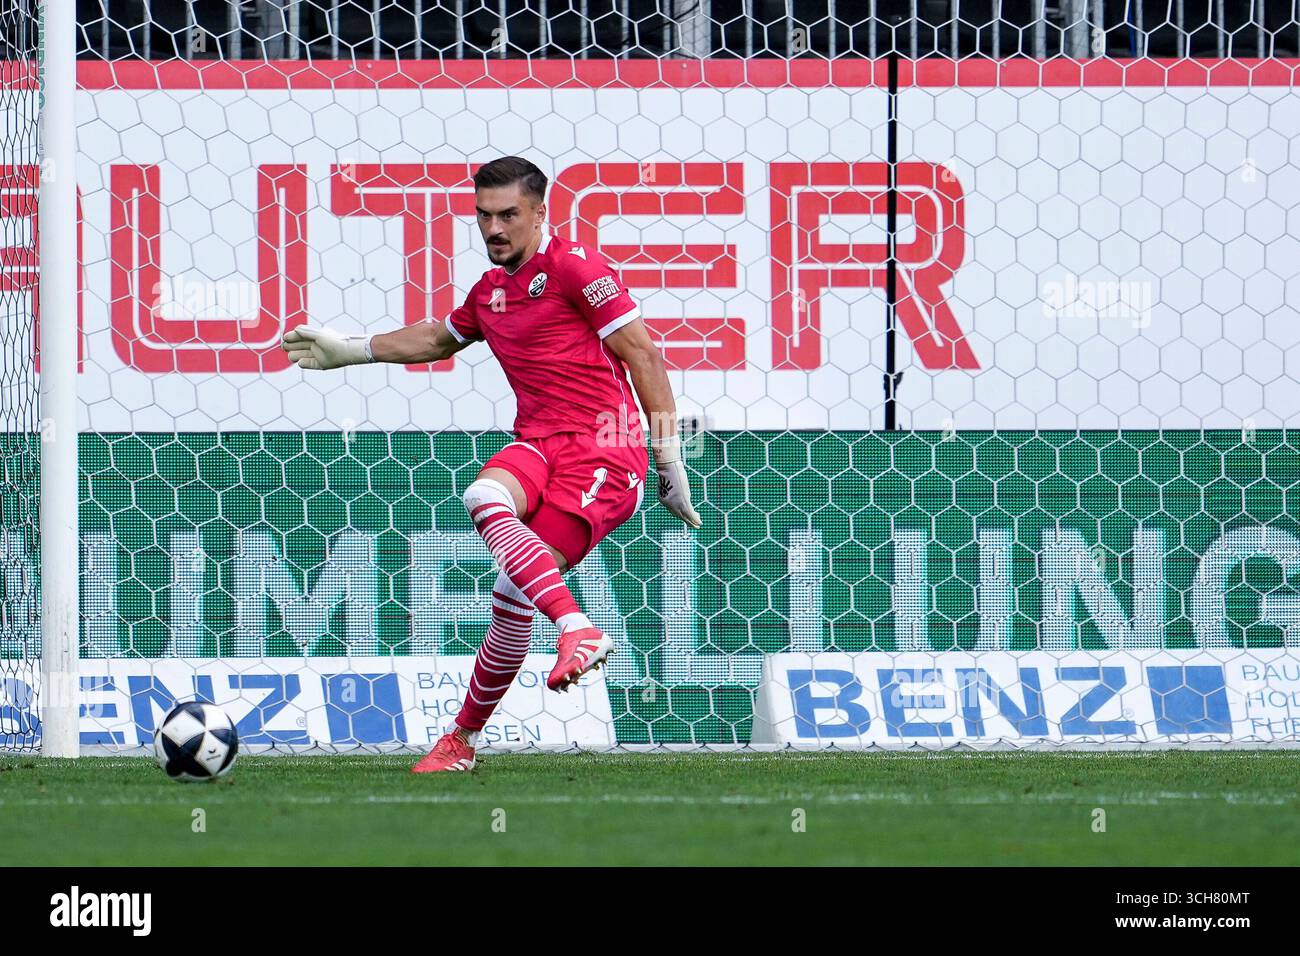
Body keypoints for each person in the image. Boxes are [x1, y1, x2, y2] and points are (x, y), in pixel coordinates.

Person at [280, 156, 700, 772]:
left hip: (605, 453)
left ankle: (468, 734)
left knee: (512, 587)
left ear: (540, 212)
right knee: (484, 499)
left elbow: (644, 355)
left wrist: (668, 456)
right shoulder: (491, 291)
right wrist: (352, 349)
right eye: (483, 216)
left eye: (508, 215)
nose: (494, 228)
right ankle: (564, 640)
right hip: (540, 443)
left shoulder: (577, 268)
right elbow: (438, 338)